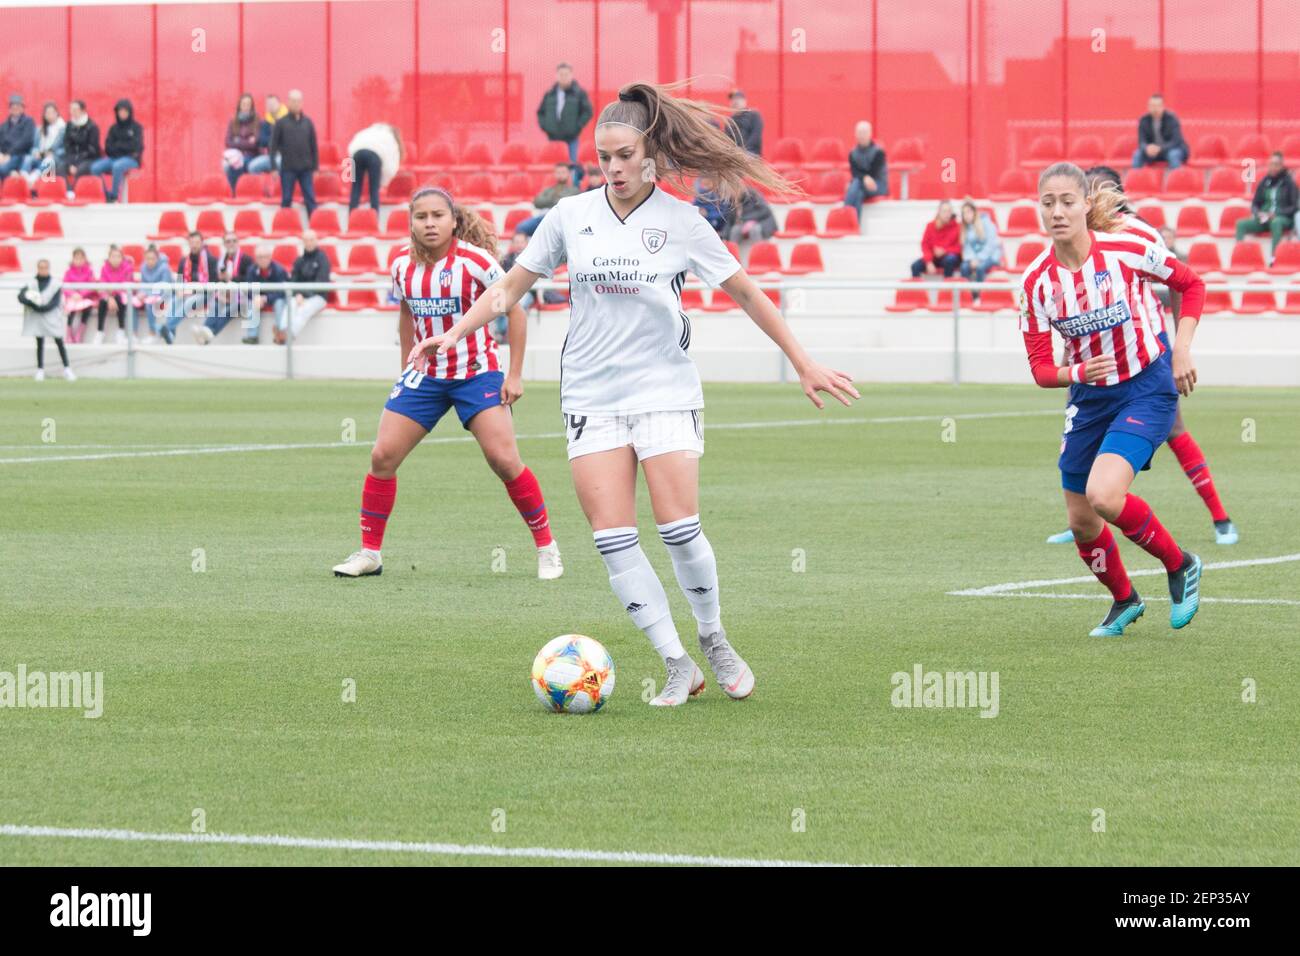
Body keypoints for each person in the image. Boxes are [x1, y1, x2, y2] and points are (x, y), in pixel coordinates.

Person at [409, 81, 859, 706]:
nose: (614, 168)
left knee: (678, 529)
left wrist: (803, 361)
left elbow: (749, 293)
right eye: (604, 157)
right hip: (591, 397)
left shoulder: (682, 221)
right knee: (611, 538)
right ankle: (677, 662)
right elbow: (507, 290)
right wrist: (452, 331)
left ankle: (713, 638)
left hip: (665, 391)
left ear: (650, 156)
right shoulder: (570, 216)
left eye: (625, 155)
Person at [332, 185, 564, 584]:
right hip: (427, 378)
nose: (430, 223)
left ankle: (547, 547)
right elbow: (406, 314)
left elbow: (517, 312)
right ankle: (370, 552)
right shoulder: (401, 265)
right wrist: (407, 365)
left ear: (454, 219)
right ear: (411, 223)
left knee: (504, 460)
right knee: (382, 456)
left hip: (477, 372)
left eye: (438, 215)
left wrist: (514, 373)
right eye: (421, 217)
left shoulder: (476, 262)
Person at [1019, 162, 1206, 638]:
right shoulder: (1037, 283)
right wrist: (1075, 372)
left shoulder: (1129, 248)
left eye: (1066, 201)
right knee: (1081, 520)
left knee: (1104, 496)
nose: (1057, 212)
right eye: (1047, 203)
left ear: (1086, 204)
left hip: (1146, 387)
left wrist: (1181, 350)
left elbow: (1192, 284)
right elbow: (1041, 370)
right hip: (1088, 396)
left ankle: (1180, 564)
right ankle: (1124, 600)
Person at [1043, 165, 1238, 546]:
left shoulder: (1138, 232)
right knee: (1079, 422)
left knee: (1175, 430)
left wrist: (1181, 346)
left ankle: (1220, 518)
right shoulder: (1077, 238)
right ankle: (1083, 519)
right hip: (1096, 357)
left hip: (1147, 352)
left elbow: (1182, 281)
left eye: (1093, 192)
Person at [537, 62, 593, 186]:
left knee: (571, 165)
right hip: (553, 139)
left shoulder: (579, 93)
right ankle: (553, 191)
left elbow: (588, 111)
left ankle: (572, 189)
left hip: (571, 138)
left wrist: (577, 126)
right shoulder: (550, 93)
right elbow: (540, 112)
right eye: (561, 74)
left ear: (571, 75)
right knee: (554, 167)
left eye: (566, 74)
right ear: (556, 76)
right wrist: (546, 126)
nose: (563, 77)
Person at [18, 259, 75, 381]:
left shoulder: (55, 284)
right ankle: (40, 369)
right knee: (39, 343)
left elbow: (55, 302)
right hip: (37, 319)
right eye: (41, 267)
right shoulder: (31, 283)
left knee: (59, 342)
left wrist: (41, 308)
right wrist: (33, 304)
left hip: (51, 318)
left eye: (45, 267)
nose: (43, 270)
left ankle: (67, 368)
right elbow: (21, 296)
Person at [1235, 151, 1297, 256]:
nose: (1273, 167)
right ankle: (1239, 255)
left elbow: (1294, 206)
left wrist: (1277, 213)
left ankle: (1274, 257)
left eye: (1276, 164)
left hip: (1282, 219)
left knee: (1276, 222)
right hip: (1265, 218)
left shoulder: (1289, 183)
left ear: (1282, 166)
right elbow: (1255, 203)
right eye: (1271, 164)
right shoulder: (1264, 182)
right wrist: (1258, 213)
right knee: (1241, 224)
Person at [270, 89, 319, 214]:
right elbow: (273, 147)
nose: (296, 104)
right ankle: (283, 228)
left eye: (298, 101)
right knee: (286, 200)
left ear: (302, 103)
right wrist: (274, 167)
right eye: (293, 101)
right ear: (288, 103)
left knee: (310, 200)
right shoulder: (281, 123)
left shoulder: (308, 123)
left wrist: (316, 168)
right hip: (288, 169)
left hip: (306, 169)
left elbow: (314, 146)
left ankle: (314, 228)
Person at [277, 230, 331, 344]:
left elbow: (321, 283)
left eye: (311, 240)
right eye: (306, 240)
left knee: (304, 310)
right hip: (301, 296)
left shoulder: (322, 259)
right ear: (303, 242)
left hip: (318, 296)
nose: (309, 243)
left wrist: (303, 295)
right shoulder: (299, 261)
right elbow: (293, 281)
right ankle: (282, 331)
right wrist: (298, 294)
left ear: (316, 241)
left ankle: (286, 337)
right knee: (291, 305)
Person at [90, 98, 143, 202]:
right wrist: (122, 146)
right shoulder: (113, 128)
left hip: (130, 159)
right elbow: (108, 147)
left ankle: (114, 196)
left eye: (124, 111)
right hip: (113, 157)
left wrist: (119, 146)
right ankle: (105, 195)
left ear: (129, 112)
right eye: (120, 111)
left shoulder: (136, 128)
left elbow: (135, 146)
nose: (122, 114)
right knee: (94, 168)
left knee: (117, 166)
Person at [345, 123, 403, 213]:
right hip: (374, 156)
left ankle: (351, 218)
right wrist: (383, 183)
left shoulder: (367, 131)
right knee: (374, 190)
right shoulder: (390, 137)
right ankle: (374, 219)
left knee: (356, 188)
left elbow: (352, 145)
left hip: (357, 153)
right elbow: (392, 164)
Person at [223, 93, 274, 195]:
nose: (246, 107)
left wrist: (237, 141)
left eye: (248, 104)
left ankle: (248, 193)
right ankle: (234, 194)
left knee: (241, 164)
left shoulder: (258, 121)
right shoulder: (233, 121)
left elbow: (255, 144)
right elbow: (228, 142)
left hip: (253, 155)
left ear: (251, 106)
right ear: (239, 106)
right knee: (231, 164)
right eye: (244, 104)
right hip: (237, 156)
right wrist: (246, 142)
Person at [514, 162, 581, 237]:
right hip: (543, 218)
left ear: (568, 174)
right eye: (558, 172)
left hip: (561, 219)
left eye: (563, 172)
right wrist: (554, 199)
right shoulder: (548, 190)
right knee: (521, 228)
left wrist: (549, 200)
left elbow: (563, 204)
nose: (561, 175)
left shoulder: (574, 190)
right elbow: (537, 202)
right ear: (555, 174)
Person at [241, 244, 289, 344]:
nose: (262, 259)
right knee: (251, 303)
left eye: (265, 256)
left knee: (280, 304)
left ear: (270, 257)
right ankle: (252, 336)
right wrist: (256, 297)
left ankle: (280, 335)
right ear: (255, 258)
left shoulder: (279, 270)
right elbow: (248, 290)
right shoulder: (251, 270)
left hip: (276, 298)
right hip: (260, 298)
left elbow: (282, 292)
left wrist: (266, 298)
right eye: (259, 257)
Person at [843, 120, 888, 221]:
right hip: (861, 186)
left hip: (878, 185)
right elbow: (855, 172)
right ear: (855, 134)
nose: (861, 136)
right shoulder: (852, 154)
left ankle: (845, 215)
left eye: (864, 133)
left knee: (855, 184)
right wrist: (864, 178)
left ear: (870, 133)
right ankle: (855, 225)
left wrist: (859, 180)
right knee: (858, 193)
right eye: (859, 133)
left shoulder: (878, 152)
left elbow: (873, 173)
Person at [1133, 93, 1188, 169]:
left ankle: (1177, 179)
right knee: (1137, 154)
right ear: (1148, 107)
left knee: (1173, 155)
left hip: (1172, 149)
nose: (1155, 109)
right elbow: (1141, 141)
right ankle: (1136, 179)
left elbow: (1176, 141)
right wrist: (1147, 148)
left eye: (1157, 106)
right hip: (1153, 152)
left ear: (1163, 106)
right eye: (1152, 106)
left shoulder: (1172, 119)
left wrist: (1160, 148)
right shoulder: (1144, 120)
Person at [94, 244, 135, 345]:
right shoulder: (104, 268)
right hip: (109, 297)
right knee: (102, 301)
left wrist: (112, 293)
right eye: (113, 256)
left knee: (120, 298)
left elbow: (126, 287)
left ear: (122, 258)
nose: (115, 259)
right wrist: (109, 297)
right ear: (108, 258)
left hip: (122, 296)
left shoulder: (128, 268)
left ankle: (121, 331)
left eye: (118, 256)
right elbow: (102, 286)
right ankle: (100, 332)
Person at [58, 100, 100, 196]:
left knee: (81, 169)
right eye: (71, 109)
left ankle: (75, 191)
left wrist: (77, 164)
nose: (73, 112)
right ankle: (68, 192)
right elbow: (67, 147)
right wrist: (70, 164)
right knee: (60, 167)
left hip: (88, 159)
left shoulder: (92, 126)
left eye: (75, 109)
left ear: (83, 111)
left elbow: (92, 149)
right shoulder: (69, 125)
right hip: (73, 159)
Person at [958, 199, 1002, 291]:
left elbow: (991, 244)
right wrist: (971, 259)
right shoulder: (965, 229)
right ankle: (967, 294)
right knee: (964, 267)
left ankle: (979, 295)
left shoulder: (987, 223)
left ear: (974, 212)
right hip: (973, 258)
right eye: (964, 213)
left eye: (968, 212)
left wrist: (979, 259)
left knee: (980, 268)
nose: (966, 215)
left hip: (990, 256)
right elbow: (967, 248)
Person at [20, 101, 64, 192]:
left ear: (57, 113)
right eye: (47, 113)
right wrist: (35, 152)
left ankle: (33, 178)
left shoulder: (63, 128)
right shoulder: (39, 129)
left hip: (54, 158)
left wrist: (52, 153)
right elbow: (34, 147)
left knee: (49, 161)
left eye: (52, 112)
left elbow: (65, 149)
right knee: (28, 158)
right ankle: (25, 178)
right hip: (40, 156)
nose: (50, 115)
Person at [910, 200, 961, 277]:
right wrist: (928, 261)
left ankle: (946, 288)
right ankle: (918, 289)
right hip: (933, 257)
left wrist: (945, 251)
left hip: (949, 257)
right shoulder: (930, 226)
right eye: (944, 211)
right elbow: (925, 245)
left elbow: (959, 247)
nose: (947, 214)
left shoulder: (958, 227)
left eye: (949, 211)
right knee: (915, 266)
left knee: (949, 260)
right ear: (939, 212)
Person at [137, 244, 173, 343]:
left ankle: (154, 332)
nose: (150, 261)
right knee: (135, 303)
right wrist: (141, 293)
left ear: (157, 258)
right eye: (147, 259)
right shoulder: (143, 268)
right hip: (150, 296)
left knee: (150, 305)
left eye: (153, 258)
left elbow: (165, 288)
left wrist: (148, 294)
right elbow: (143, 285)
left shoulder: (164, 268)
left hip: (166, 296)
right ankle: (134, 335)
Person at [61, 247, 96, 343]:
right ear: (73, 259)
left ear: (85, 259)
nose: (79, 260)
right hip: (72, 298)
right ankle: (69, 333)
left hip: (84, 298)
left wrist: (81, 295)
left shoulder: (89, 272)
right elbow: (65, 286)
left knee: (88, 307)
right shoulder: (68, 272)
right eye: (76, 258)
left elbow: (91, 286)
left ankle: (80, 333)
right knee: (70, 308)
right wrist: (73, 294)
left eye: (81, 258)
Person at [0, 92, 36, 180]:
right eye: (13, 106)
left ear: (22, 108)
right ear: (9, 109)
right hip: (4, 156)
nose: (15, 108)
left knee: (2, 169)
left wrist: (9, 154)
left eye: (17, 106)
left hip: (20, 155)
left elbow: (27, 141)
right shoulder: (4, 125)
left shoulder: (28, 121)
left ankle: (12, 174)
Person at [723, 89, 763, 155]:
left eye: (738, 99)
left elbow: (755, 137)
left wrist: (743, 152)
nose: (735, 101)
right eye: (733, 99)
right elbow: (727, 141)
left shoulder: (754, 115)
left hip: (751, 154)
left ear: (744, 101)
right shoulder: (730, 121)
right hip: (735, 155)